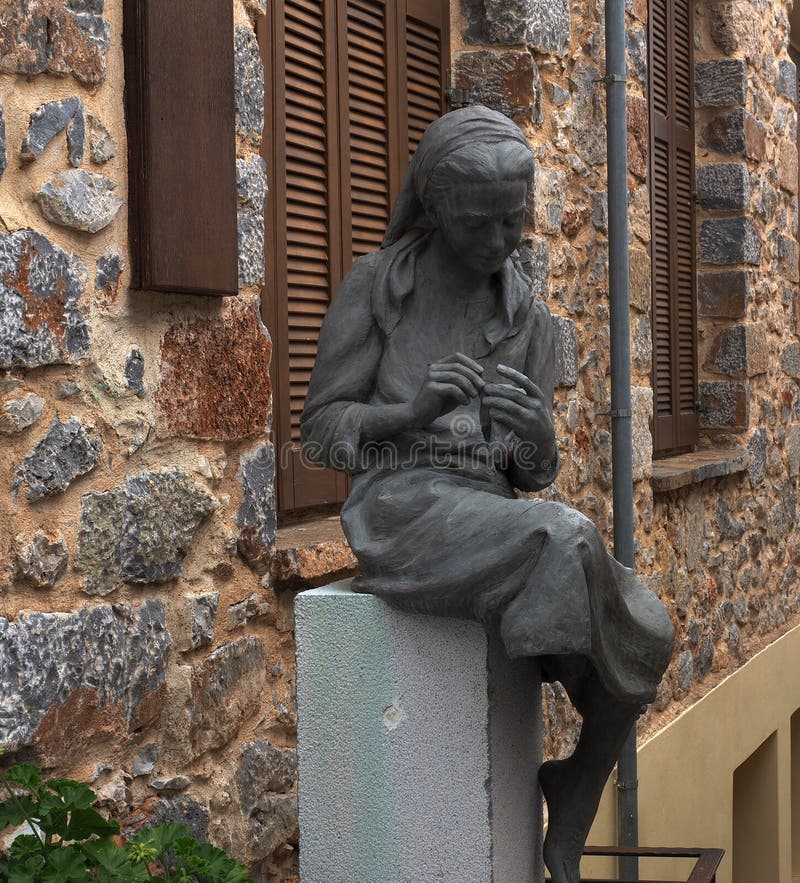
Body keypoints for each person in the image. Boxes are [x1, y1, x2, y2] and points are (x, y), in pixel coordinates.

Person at [300, 105, 674, 883]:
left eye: (514, 222)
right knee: (564, 540)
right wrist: (409, 412)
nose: (502, 242)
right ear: (434, 208)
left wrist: (535, 433)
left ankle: (573, 786)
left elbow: (528, 471)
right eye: (482, 224)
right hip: (400, 505)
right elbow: (321, 435)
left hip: (486, 511)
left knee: (652, 627)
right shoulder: (378, 290)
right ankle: (568, 800)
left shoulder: (525, 315)